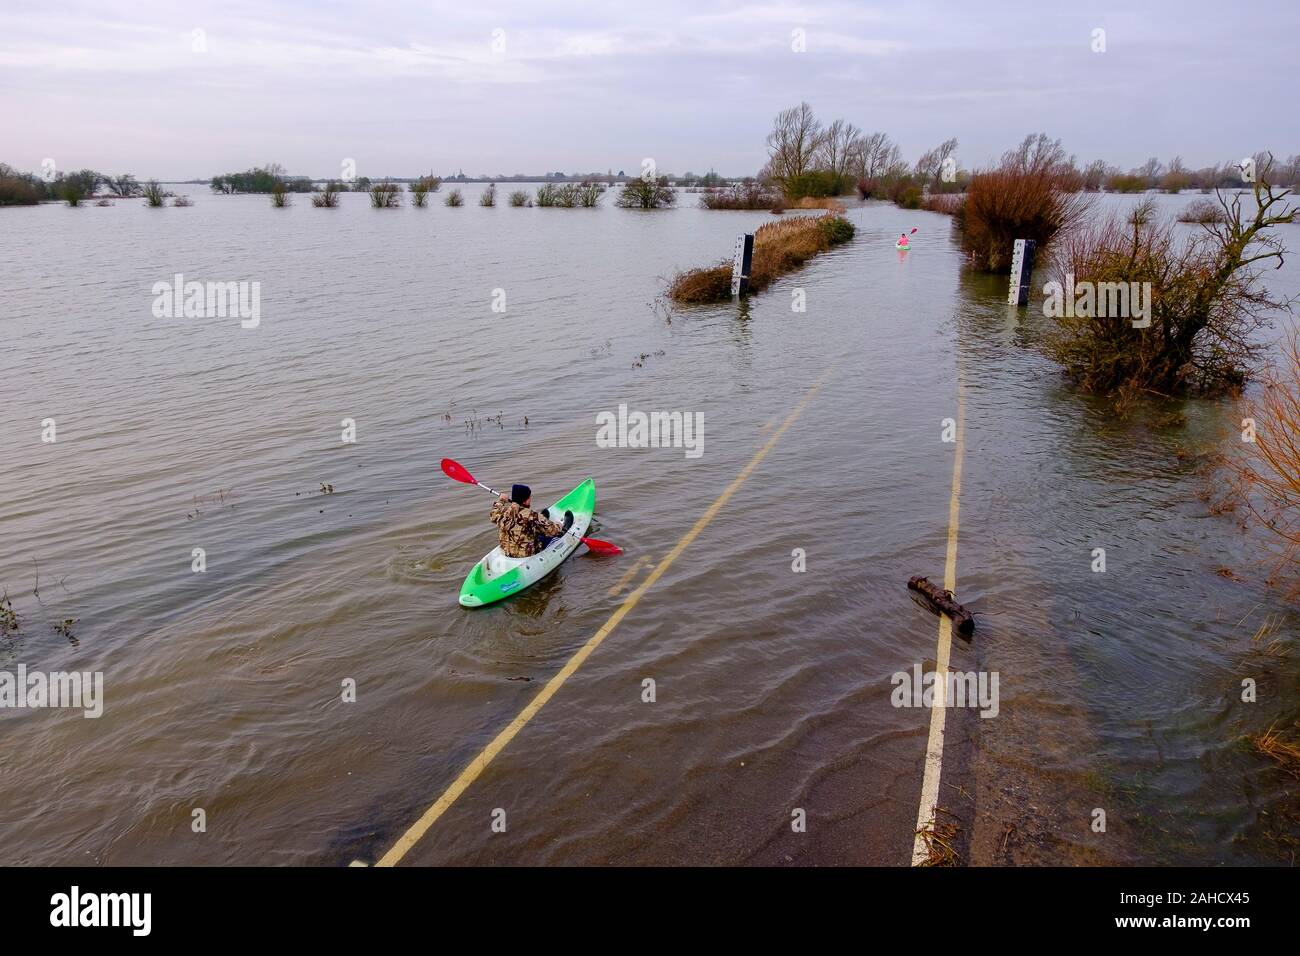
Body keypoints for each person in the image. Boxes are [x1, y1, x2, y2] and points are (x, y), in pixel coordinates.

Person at [489, 484, 573, 558]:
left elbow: (493, 514)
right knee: (551, 534)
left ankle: (543, 519)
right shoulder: (532, 516)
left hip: (507, 551)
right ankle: (563, 529)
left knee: (533, 527)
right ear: (525, 501)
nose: (531, 499)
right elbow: (553, 531)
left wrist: (501, 500)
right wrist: (559, 525)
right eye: (529, 497)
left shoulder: (503, 511)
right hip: (527, 554)